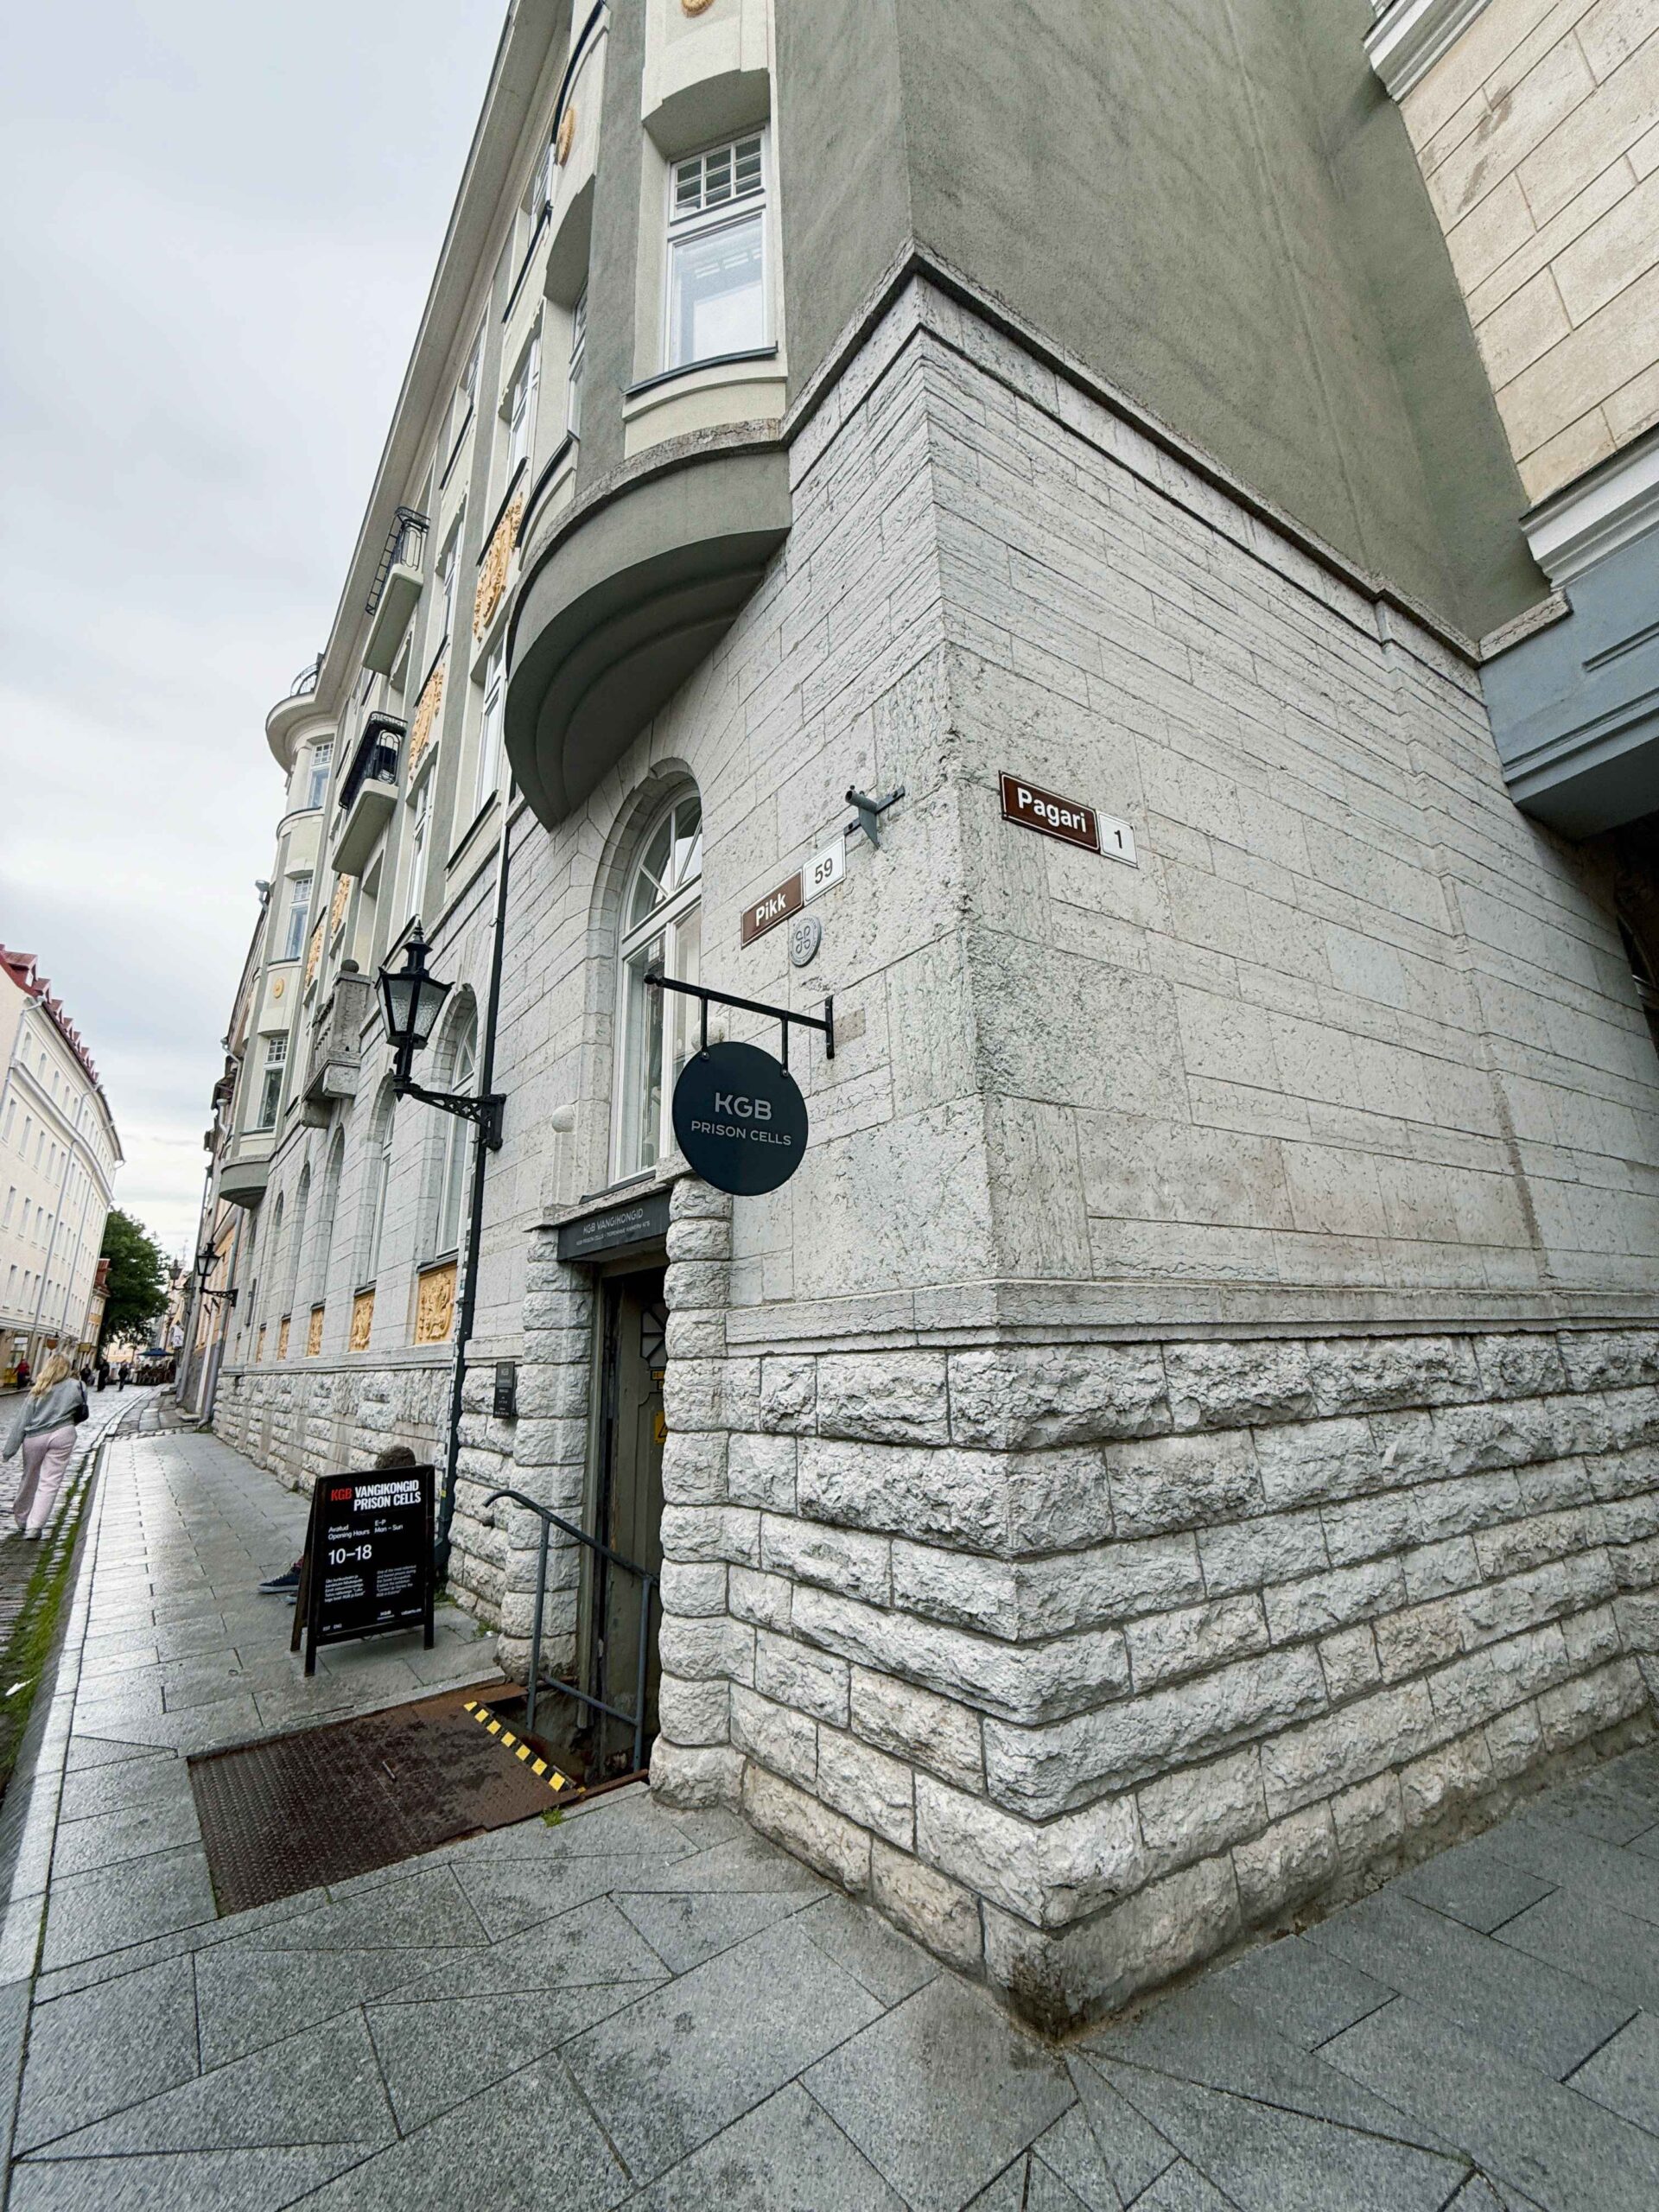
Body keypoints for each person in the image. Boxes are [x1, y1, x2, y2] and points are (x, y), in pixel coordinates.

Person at [259, 1442, 421, 1601]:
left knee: (333, 1534)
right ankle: (305, 1576)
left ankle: (306, 1578)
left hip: (356, 1573)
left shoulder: (377, 1505)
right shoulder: (415, 1504)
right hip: (379, 1567)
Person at [3, 1351, 88, 1541]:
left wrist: (9, 1450)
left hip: (35, 1437)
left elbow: (22, 1420)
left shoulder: (39, 1388)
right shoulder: (78, 1386)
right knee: (50, 1481)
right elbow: (81, 1410)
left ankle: (22, 1517)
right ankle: (35, 1527)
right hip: (63, 1434)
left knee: (30, 1477)